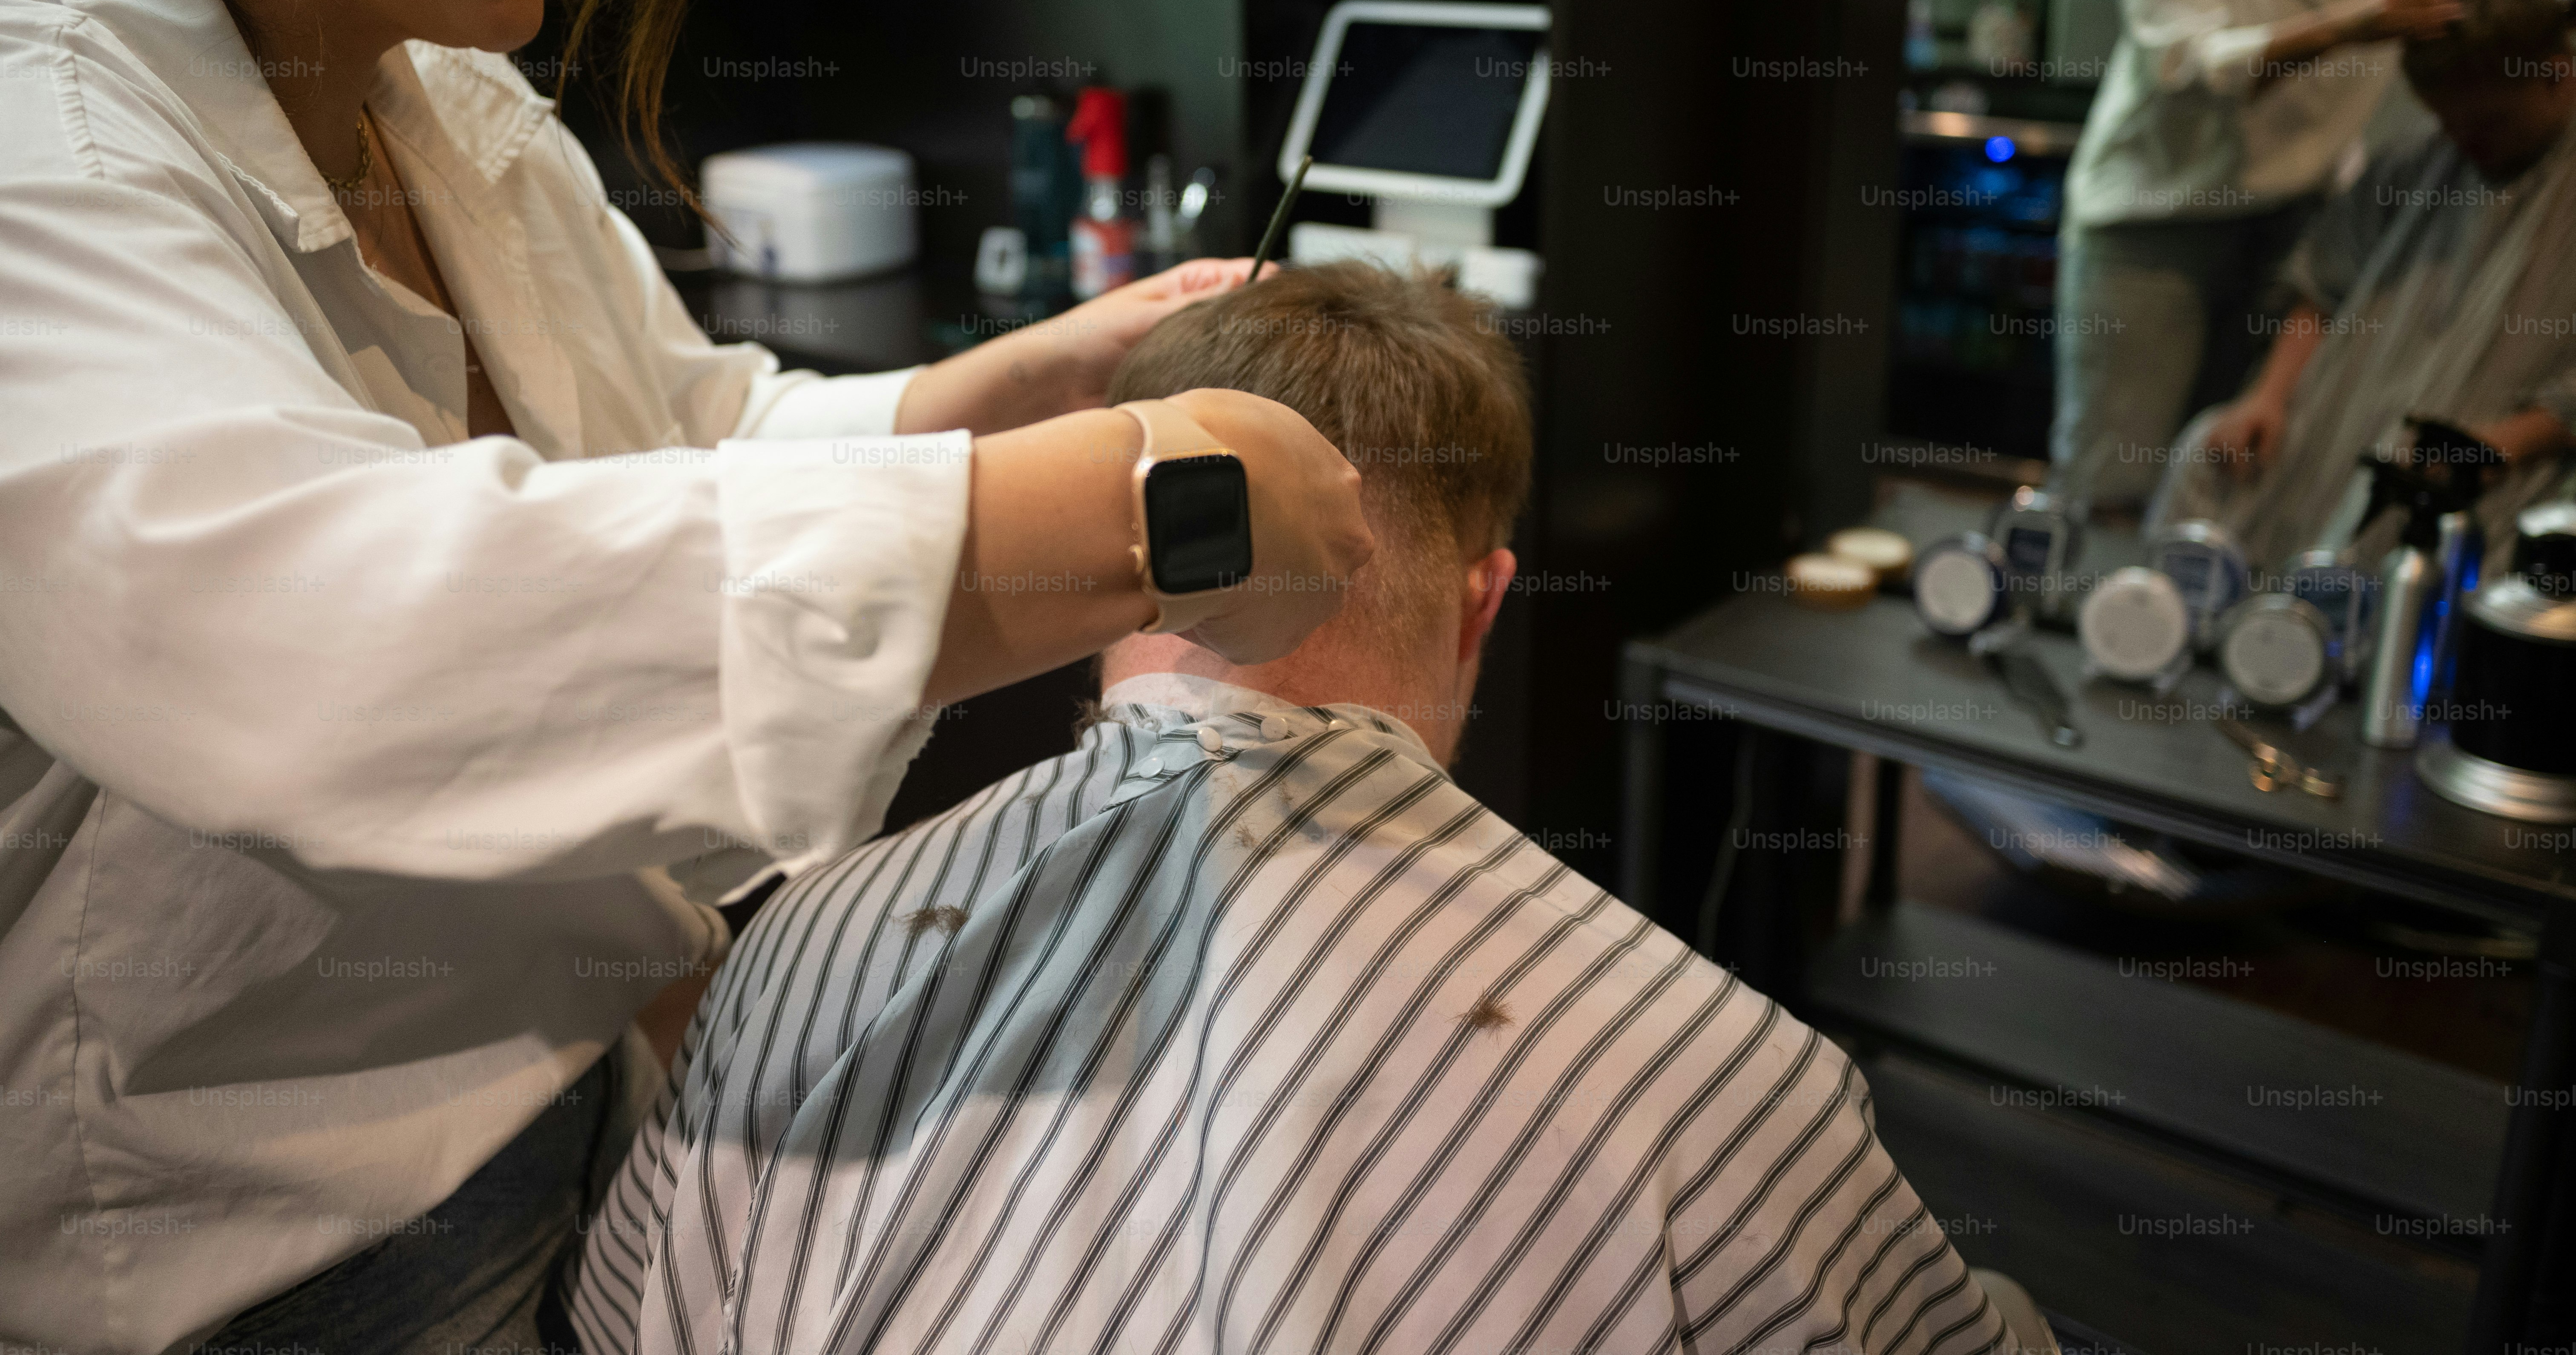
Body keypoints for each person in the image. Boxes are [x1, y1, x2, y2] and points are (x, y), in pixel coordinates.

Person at [0, 0, 1373, 1350]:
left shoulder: (441, 92)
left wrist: (1013, 388)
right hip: (251, 1258)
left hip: (576, 1103)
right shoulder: (36, 143)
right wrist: (1146, 507)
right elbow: (322, 651)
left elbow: (675, 438)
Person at [567, 262, 2060, 1355]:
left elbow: (629, 1316)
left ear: (1119, 561)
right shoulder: (1725, 1091)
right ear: (1484, 603)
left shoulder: (794, 948)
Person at [2050, 0, 2576, 509]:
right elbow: (2186, 64)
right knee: (2116, 469)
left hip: (2293, 221)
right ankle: (2082, 617)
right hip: (2156, 226)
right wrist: (2346, 24)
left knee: (2240, 457)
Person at [2149, 0, 2576, 569]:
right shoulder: (2415, 160)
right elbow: (2322, 288)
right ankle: (2181, 633)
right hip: (2348, 406)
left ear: (2557, 76)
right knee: (2209, 451)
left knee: (2434, 537)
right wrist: (2267, 398)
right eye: (2447, 123)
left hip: (2503, 449)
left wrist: (2498, 448)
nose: (2464, 143)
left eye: (2488, 123)